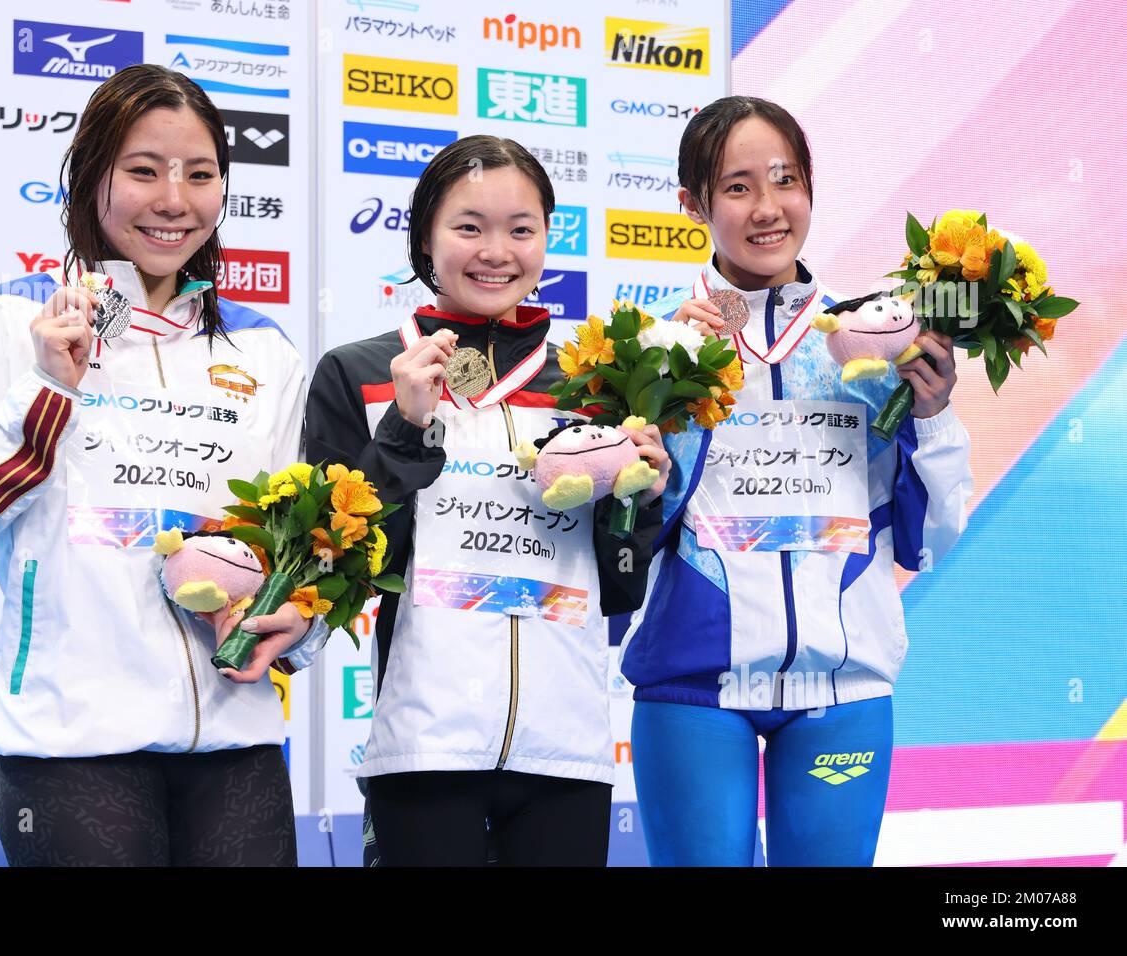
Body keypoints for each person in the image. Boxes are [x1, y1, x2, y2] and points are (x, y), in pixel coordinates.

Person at [0, 65, 327, 866]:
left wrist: (303, 621)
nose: (174, 199)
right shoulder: (9, 320)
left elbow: (301, 539)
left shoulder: (264, 349)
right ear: (92, 178)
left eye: (200, 175)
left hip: (238, 744)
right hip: (71, 747)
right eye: (143, 170)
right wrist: (48, 388)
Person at [623, 96, 974, 866]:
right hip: (694, 690)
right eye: (738, 186)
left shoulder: (876, 340)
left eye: (786, 180)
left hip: (844, 693)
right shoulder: (657, 346)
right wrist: (670, 385)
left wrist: (936, 416)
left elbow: (935, 539)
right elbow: (625, 534)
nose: (768, 208)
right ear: (693, 204)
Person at [305, 135, 670, 866]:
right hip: (425, 743)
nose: (495, 250)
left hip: (566, 748)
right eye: (468, 227)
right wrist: (404, 427)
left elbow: (619, 584)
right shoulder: (361, 371)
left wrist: (639, 501)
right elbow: (328, 562)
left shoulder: (592, 385)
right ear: (425, 239)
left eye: (521, 228)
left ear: (546, 239)